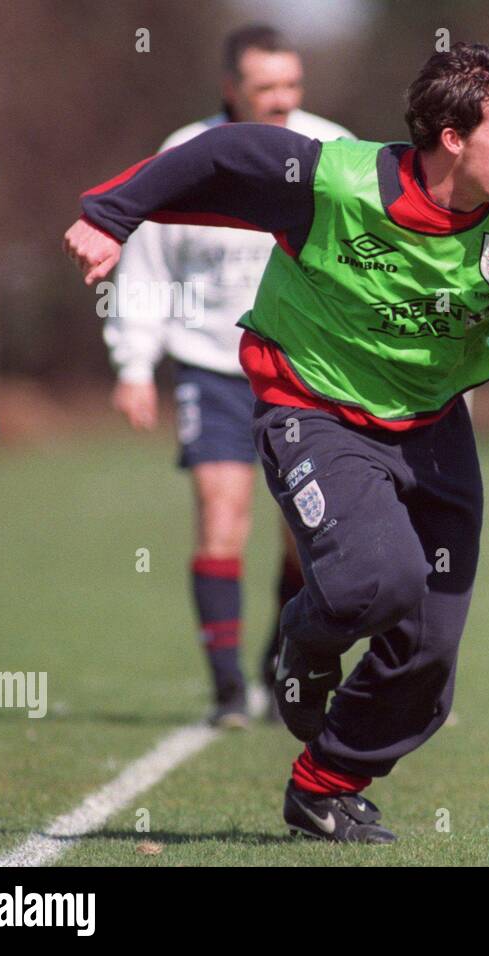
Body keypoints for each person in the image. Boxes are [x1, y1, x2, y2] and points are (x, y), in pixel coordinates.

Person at [65, 42, 489, 842]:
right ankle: (301, 647)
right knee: (377, 580)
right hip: (314, 408)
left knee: (431, 650)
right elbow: (221, 155)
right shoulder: (335, 180)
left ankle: (324, 785)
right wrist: (112, 215)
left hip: (433, 424)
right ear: (451, 135)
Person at [103, 24, 353, 728]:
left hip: (303, 370)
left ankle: (280, 665)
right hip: (212, 367)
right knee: (221, 516)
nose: (281, 100)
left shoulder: (330, 150)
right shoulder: (186, 153)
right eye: (264, 87)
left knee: (304, 536)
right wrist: (133, 364)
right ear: (231, 88)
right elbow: (147, 266)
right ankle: (224, 693)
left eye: (291, 86)